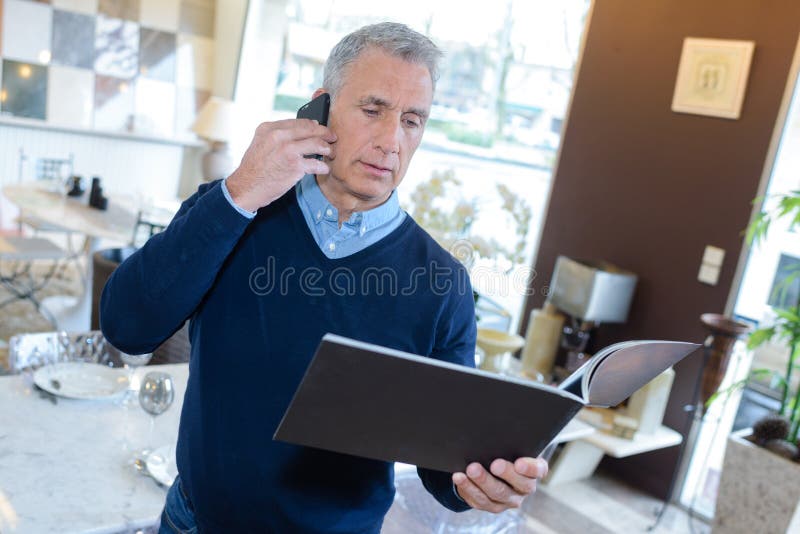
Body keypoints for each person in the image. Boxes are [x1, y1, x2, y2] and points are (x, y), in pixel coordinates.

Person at [101, 22, 548, 533]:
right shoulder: (234, 210)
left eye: (411, 120)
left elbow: (441, 467)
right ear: (320, 108)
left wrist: (481, 482)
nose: (390, 141)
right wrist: (243, 189)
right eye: (373, 109)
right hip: (195, 521)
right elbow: (125, 326)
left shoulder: (443, 285)